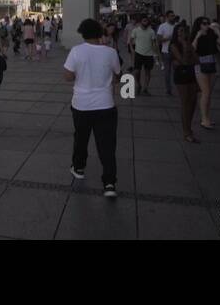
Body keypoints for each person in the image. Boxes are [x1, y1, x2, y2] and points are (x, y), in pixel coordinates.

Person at [64, 18, 122, 198]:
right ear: (100, 33)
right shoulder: (110, 52)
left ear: (82, 33)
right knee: (107, 145)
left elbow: (67, 76)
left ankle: (79, 167)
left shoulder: (76, 51)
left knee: (81, 138)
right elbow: (118, 75)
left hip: (81, 104)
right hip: (105, 104)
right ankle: (110, 183)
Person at [191, 17, 220, 129]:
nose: (206, 25)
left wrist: (217, 31)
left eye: (208, 23)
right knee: (206, 92)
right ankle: (204, 120)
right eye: (204, 23)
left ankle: (206, 117)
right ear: (199, 25)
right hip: (200, 64)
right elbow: (192, 49)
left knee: (208, 93)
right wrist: (197, 36)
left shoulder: (212, 34)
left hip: (212, 63)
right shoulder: (197, 35)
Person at [170, 23, 200, 143]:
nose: (182, 33)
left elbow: (196, 60)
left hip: (191, 73)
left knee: (193, 102)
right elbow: (184, 61)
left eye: (184, 31)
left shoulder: (188, 44)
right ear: (176, 32)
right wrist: (183, 45)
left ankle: (189, 128)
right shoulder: (174, 45)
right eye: (180, 31)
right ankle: (186, 131)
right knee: (185, 102)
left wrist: (187, 48)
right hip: (181, 75)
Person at [128, 15, 159, 96]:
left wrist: (156, 54)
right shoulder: (136, 30)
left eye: (146, 21)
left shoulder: (151, 31)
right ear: (141, 22)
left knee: (148, 72)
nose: (146, 22)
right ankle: (138, 84)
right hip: (138, 53)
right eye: (144, 21)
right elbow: (130, 40)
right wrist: (131, 49)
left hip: (149, 54)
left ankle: (145, 88)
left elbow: (154, 43)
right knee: (136, 72)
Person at [157, 11, 177, 95]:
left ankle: (179, 86)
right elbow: (159, 39)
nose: (173, 17)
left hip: (176, 51)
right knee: (167, 71)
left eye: (173, 16)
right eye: (171, 16)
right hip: (166, 51)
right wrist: (168, 38)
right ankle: (168, 89)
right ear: (167, 17)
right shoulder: (162, 26)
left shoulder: (177, 26)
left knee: (177, 70)